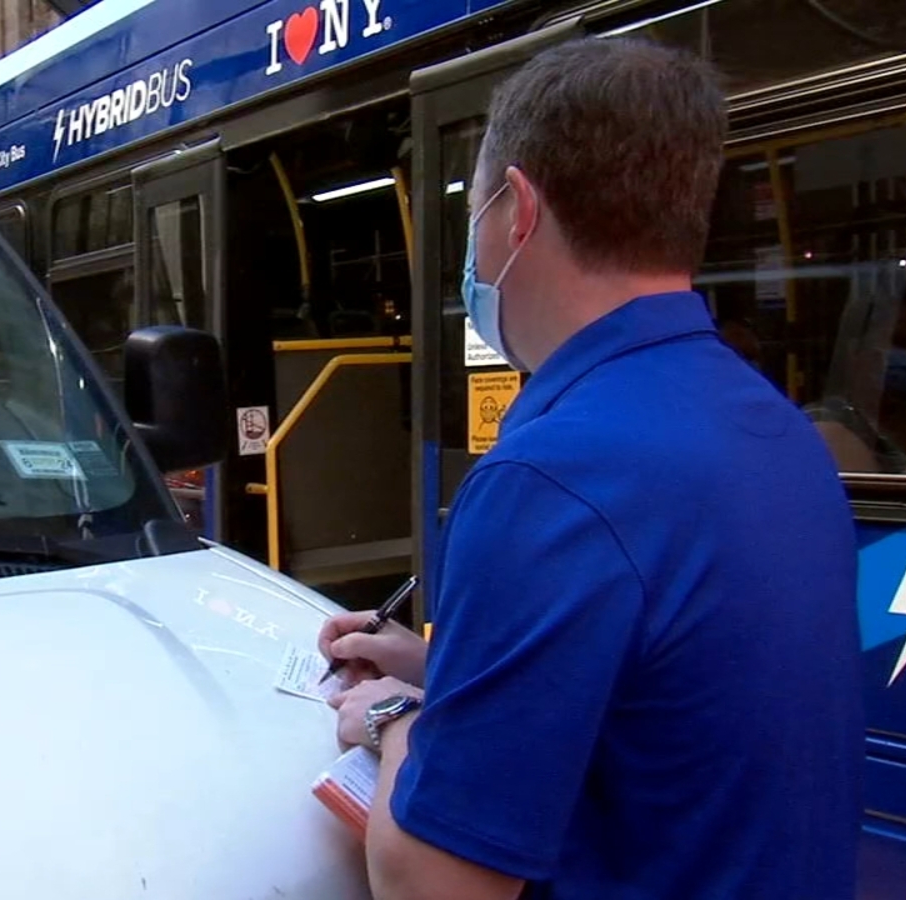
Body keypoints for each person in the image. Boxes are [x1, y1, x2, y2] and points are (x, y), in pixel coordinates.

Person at [318, 37, 863, 900]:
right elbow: (664, 705)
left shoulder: (551, 479)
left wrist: (391, 720)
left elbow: (433, 883)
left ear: (518, 211)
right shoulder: (778, 429)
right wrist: (436, 669)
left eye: (472, 210)